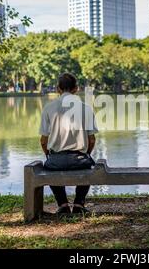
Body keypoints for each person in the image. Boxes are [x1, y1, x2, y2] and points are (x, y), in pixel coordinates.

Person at [39, 73, 98, 214]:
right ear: (76, 88)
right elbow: (92, 139)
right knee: (89, 165)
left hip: (55, 160)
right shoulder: (86, 108)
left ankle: (63, 204)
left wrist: (49, 155)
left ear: (58, 89)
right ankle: (78, 204)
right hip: (80, 159)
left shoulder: (48, 108)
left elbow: (43, 140)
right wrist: (86, 154)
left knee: (48, 167)